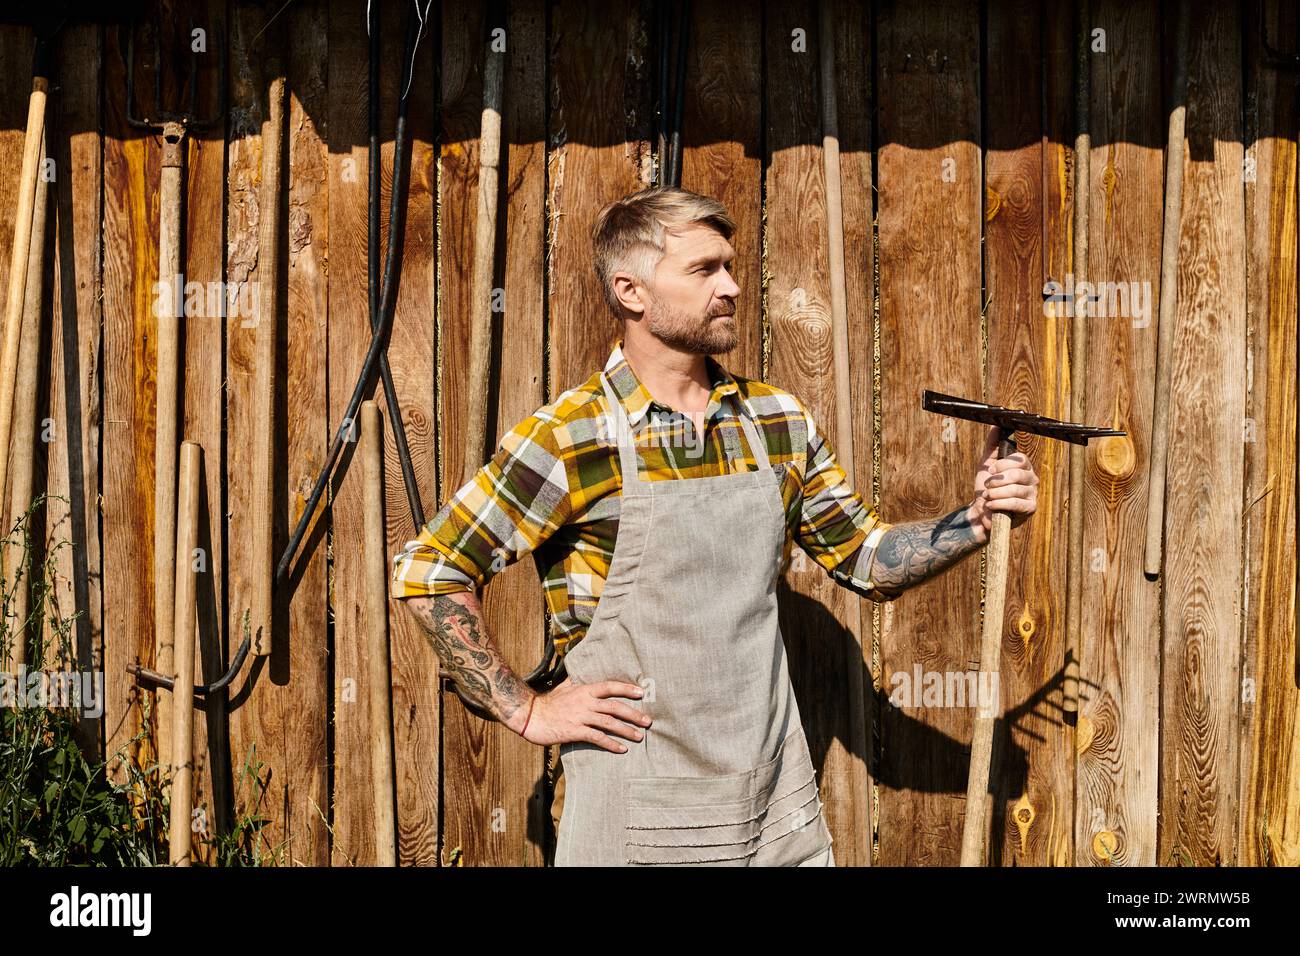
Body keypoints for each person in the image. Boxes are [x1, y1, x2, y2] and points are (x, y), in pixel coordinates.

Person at [392, 186, 1038, 866]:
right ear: (632, 291)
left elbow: (866, 558)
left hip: (777, 814)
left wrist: (975, 520)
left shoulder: (774, 421)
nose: (731, 286)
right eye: (703, 270)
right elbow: (430, 569)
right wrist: (524, 708)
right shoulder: (573, 435)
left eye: (729, 266)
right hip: (641, 817)